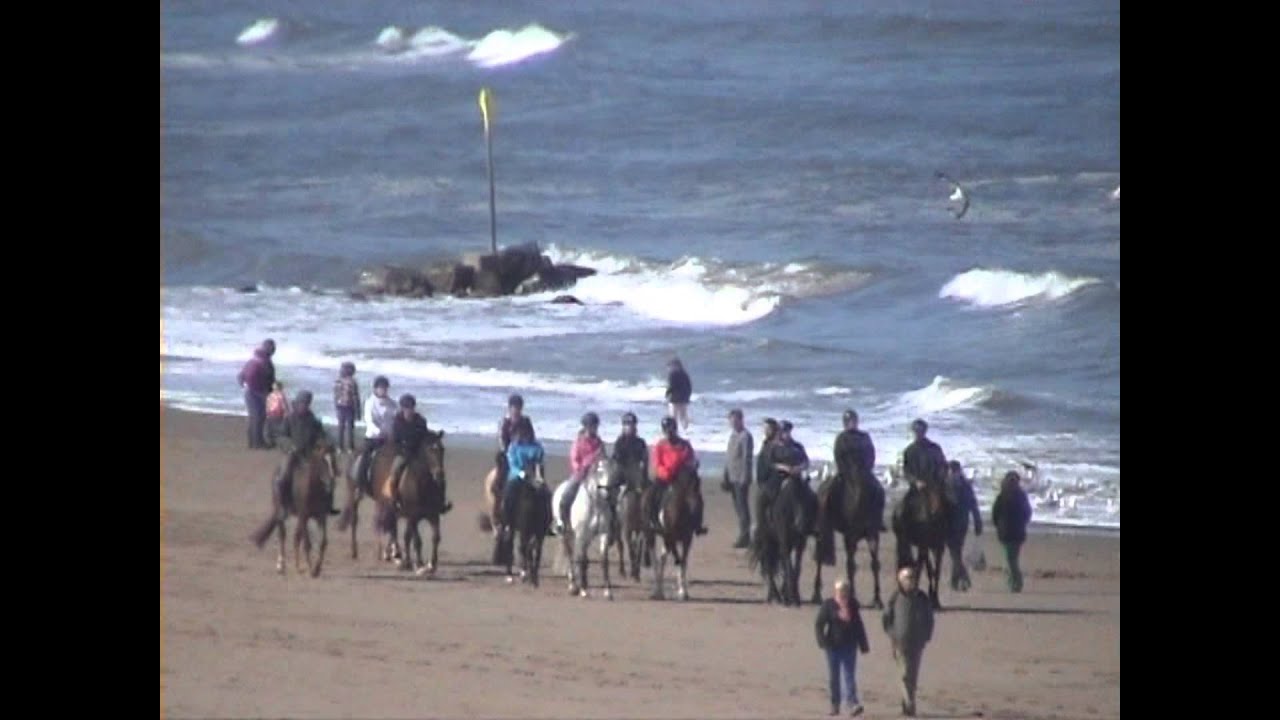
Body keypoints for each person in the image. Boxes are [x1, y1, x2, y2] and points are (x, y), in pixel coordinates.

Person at [819, 409, 885, 535]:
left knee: (879, 490)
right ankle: (827, 518)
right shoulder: (841, 438)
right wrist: (844, 471)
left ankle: (878, 519)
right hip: (845, 472)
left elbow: (871, 454)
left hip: (863, 471)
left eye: (854, 421)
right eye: (849, 421)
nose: (852, 423)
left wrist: (867, 468)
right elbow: (838, 455)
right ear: (845, 423)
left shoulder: (864, 437)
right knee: (829, 489)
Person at [273, 390, 339, 516]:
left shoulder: (313, 420)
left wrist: (325, 443)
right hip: (293, 454)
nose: (304, 406)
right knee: (283, 475)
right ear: (297, 403)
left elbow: (321, 434)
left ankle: (328, 505)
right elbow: (280, 436)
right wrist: (290, 445)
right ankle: (282, 504)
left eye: (307, 403)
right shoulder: (289, 419)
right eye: (302, 403)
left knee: (328, 477)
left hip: (310, 454)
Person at [882, 566, 935, 717]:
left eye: (912, 578)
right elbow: (886, 619)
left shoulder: (922, 598)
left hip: (917, 643)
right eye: (907, 578)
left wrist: (926, 635)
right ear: (900, 580)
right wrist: (893, 634)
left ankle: (906, 705)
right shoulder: (895, 597)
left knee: (913, 675)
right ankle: (910, 703)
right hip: (899, 642)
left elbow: (929, 618)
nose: (910, 581)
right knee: (904, 674)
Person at [388, 394, 451, 514]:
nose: (409, 411)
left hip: (418, 453)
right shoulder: (397, 422)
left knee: (439, 473)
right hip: (403, 453)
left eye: (411, 407)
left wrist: (436, 436)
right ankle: (394, 499)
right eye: (407, 408)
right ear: (402, 408)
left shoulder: (421, 421)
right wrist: (404, 449)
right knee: (395, 472)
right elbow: (395, 440)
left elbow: (425, 435)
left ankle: (441, 502)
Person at [815, 578, 869, 716]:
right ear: (836, 591)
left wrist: (863, 644)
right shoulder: (829, 605)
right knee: (834, 677)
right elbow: (819, 624)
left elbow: (858, 625)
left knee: (849, 675)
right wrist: (822, 641)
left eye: (845, 590)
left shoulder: (853, 605)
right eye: (841, 590)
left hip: (849, 646)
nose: (843, 592)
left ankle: (852, 703)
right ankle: (835, 705)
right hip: (832, 647)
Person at [649, 416, 706, 534]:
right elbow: (657, 464)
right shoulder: (660, 445)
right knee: (651, 495)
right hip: (665, 477)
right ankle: (652, 521)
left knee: (696, 497)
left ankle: (697, 524)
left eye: (671, 429)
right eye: (666, 429)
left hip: (682, 478)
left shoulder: (684, 444)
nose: (669, 432)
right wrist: (665, 473)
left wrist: (692, 465)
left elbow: (691, 459)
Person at [895, 419, 949, 527]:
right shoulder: (909, 451)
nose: (917, 434)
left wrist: (937, 480)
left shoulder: (935, 448)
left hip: (934, 485)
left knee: (950, 507)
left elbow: (943, 466)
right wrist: (916, 481)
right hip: (917, 487)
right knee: (901, 511)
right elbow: (906, 471)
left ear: (925, 432)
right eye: (915, 431)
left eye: (920, 431)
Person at [557, 412, 606, 531]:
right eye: (592, 426)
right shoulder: (578, 442)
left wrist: (601, 466)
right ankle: (562, 522)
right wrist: (582, 469)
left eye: (595, 426)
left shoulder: (599, 443)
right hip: (581, 474)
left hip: (596, 475)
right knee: (567, 494)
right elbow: (574, 459)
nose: (594, 429)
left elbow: (603, 458)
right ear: (586, 427)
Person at [501, 417, 547, 532]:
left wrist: (539, 477)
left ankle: (546, 524)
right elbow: (512, 464)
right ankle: (506, 523)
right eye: (519, 431)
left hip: (533, 477)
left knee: (546, 494)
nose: (521, 433)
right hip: (517, 476)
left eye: (523, 430)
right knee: (508, 494)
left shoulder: (537, 446)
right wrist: (521, 474)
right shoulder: (513, 447)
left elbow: (539, 463)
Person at [992, 470, 1033, 593]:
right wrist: (1023, 523)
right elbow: (1028, 513)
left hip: (1006, 532)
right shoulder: (1020, 496)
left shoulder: (1002, 496)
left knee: (1011, 559)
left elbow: (995, 514)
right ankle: (1014, 580)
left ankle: (1016, 581)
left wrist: (998, 525)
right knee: (1012, 558)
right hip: (1017, 531)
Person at [945, 461, 983, 591]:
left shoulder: (946, 483)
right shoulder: (966, 484)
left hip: (949, 522)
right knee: (957, 551)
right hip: (963, 522)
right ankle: (955, 580)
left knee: (954, 553)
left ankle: (963, 577)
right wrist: (977, 521)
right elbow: (973, 504)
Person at [355, 376, 396, 494]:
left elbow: (394, 420)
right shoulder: (370, 403)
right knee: (365, 459)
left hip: (388, 439)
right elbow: (369, 421)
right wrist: (379, 432)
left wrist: (392, 433)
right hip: (373, 438)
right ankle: (360, 484)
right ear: (376, 389)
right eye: (381, 388)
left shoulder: (392, 404)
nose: (383, 390)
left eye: (385, 388)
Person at [237, 339, 276, 449]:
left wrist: (244, 385)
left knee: (255, 417)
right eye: (272, 349)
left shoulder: (254, 360)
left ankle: (253, 442)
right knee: (259, 417)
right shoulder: (265, 362)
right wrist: (269, 391)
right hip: (258, 392)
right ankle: (258, 443)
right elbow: (269, 379)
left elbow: (241, 376)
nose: (273, 351)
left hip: (251, 391)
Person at [724, 409, 754, 549]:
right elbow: (729, 457)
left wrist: (745, 477)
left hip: (741, 477)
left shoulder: (745, 436)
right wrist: (726, 474)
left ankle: (745, 536)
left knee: (742, 508)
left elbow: (747, 458)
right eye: (731, 421)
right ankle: (743, 533)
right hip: (732, 476)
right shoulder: (732, 435)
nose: (733, 423)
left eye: (735, 420)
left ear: (741, 420)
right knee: (737, 507)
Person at [752, 418, 781, 542]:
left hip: (771, 483)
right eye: (764, 428)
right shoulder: (766, 443)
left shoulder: (776, 445)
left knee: (760, 505)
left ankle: (760, 532)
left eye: (768, 429)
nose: (765, 431)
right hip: (764, 482)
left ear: (774, 430)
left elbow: (772, 463)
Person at [495, 394, 529, 485]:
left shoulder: (526, 421)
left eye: (519, 408)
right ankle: (498, 486)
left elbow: (531, 437)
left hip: (522, 452)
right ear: (510, 408)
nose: (517, 410)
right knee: (502, 461)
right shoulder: (505, 422)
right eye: (515, 408)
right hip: (508, 452)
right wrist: (508, 451)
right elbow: (501, 438)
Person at [610, 411, 649, 486]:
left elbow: (645, 461)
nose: (630, 427)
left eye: (632, 424)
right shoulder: (619, 442)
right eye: (627, 424)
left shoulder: (640, 442)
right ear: (623, 426)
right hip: (622, 475)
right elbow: (616, 460)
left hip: (637, 474)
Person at [332, 362, 361, 454]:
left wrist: (335, 405)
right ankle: (349, 448)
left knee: (342, 427)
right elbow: (356, 397)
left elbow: (335, 395)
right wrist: (358, 411)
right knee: (349, 428)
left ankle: (340, 447)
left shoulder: (338, 380)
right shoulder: (352, 382)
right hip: (348, 407)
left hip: (341, 406)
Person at [665, 358, 692, 431]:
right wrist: (687, 397)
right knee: (683, 415)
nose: (669, 368)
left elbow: (671, 386)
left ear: (675, 366)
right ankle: (686, 430)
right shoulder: (684, 374)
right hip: (684, 398)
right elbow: (689, 386)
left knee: (673, 416)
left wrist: (667, 394)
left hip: (675, 398)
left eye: (670, 366)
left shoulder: (672, 374)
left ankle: (674, 430)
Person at [264, 381, 290, 447]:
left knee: (270, 429)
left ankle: (271, 442)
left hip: (271, 414)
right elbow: (284, 406)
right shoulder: (281, 395)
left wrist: (267, 413)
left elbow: (267, 405)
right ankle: (275, 442)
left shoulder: (270, 395)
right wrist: (287, 413)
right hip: (278, 414)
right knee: (278, 429)